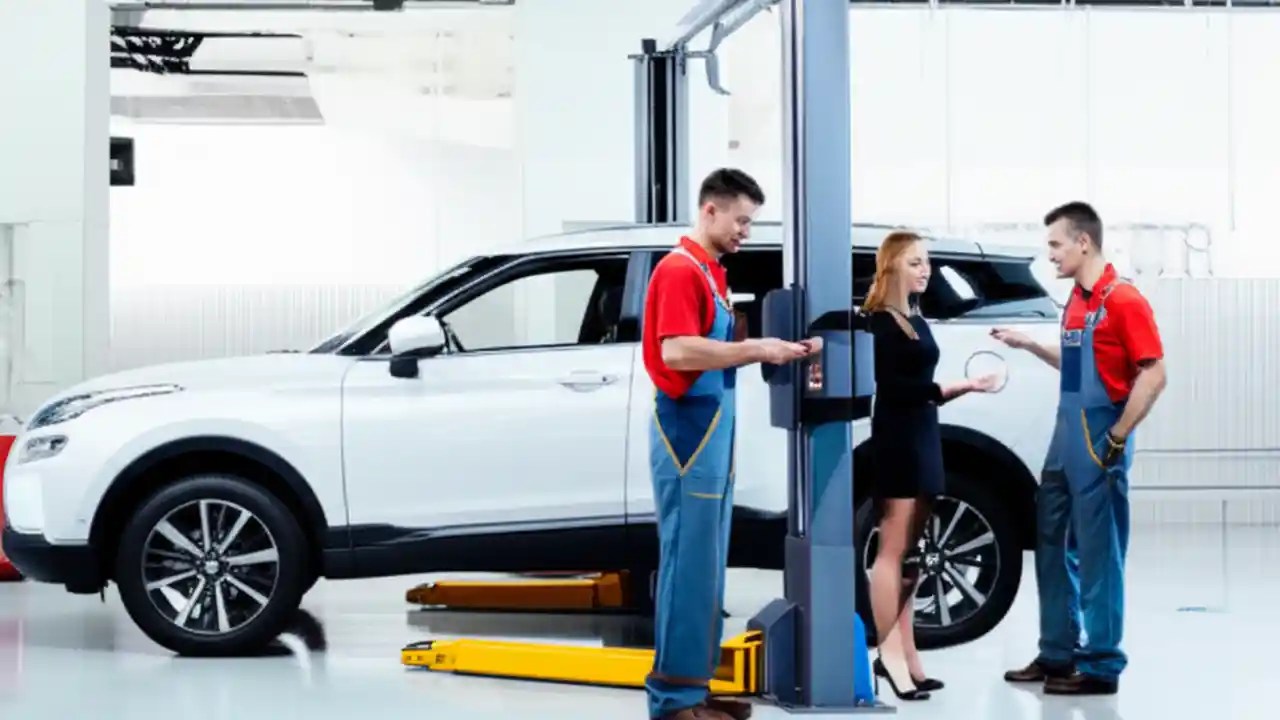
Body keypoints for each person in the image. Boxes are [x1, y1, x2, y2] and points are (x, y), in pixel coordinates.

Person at [642, 168, 820, 720]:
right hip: (687, 437)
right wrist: (759, 350)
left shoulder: (712, 273)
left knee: (708, 568)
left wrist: (777, 349)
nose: (746, 230)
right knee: (686, 567)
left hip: (710, 433)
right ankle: (673, 701)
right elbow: (675, 353)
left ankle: (693, 687)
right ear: (711, 210)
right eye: (742, 219)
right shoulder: (680, 271)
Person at [993, 201, 1167, 696]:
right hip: (1064, 431)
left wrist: (1117, 436)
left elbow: (1155, 374)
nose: (1049, 254)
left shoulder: (1124, 300)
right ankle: (1057, 653)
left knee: (1098, 553)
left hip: (1100, 435)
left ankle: (1101, 665)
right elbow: (1073, 372)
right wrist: (1029, 345)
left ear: (1083, 242)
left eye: (1055, 244)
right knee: (1050, 542)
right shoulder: (1076, 300)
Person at [860, 231, 998, 701]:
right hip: (898, 436)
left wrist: (953, 389)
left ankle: (910, 657)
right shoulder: (878, 322)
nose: (927, 270)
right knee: (892, 549)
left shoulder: (913, 318)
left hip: (923, 434)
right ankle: (888, 656)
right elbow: (895, 389)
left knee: (914, 555)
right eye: (916, 262)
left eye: (927, 262)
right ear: (894, 265)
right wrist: (961, 387)